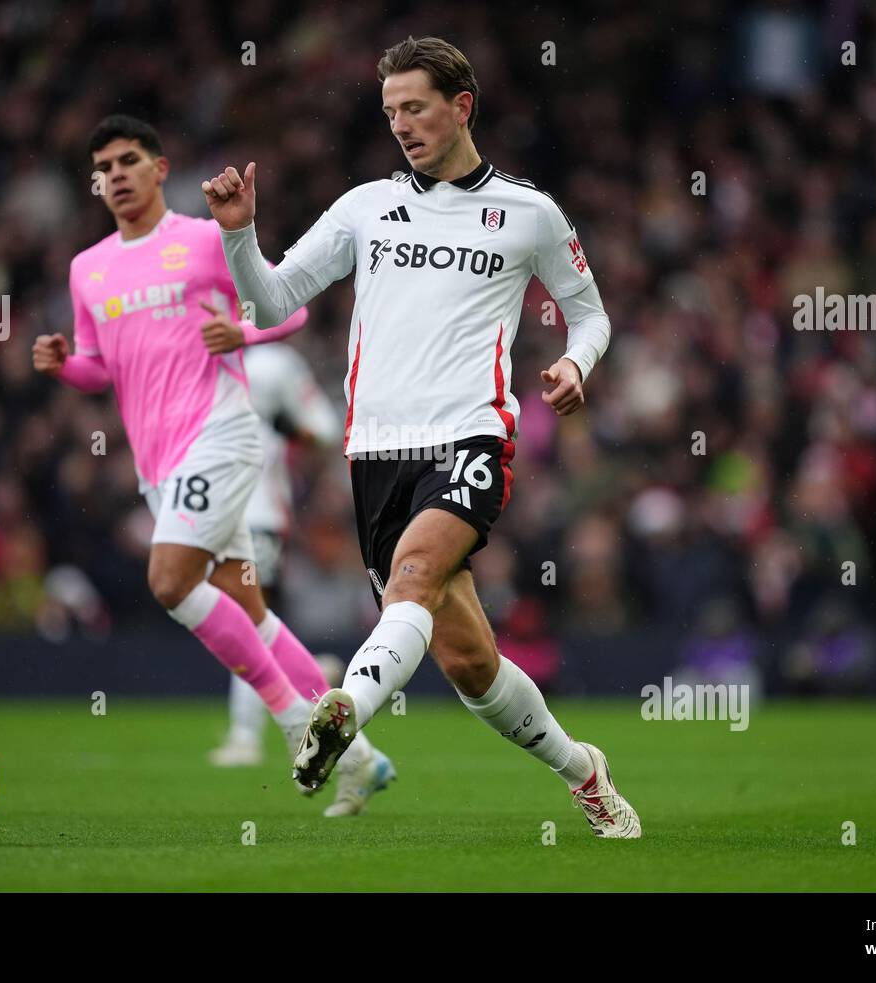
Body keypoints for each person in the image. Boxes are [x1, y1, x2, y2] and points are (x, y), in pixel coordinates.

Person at [202, 38, 640, 837]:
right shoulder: (364, 207)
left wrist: (578, 363)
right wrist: (240, 236)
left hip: (470, 439)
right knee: (469, 663)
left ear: (461, 105)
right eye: (390, 112)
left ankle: (342, 714)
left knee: (411, 580)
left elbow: (591, 312)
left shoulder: (528, 213)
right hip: (374, 455)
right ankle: (585, 770)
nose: (400, 124)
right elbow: (268, 306)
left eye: (414, 107)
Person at [35, 115, 394, 816]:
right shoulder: (89, 268)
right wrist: (63, 365)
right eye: (104, 165)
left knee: (170, 581)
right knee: (246, 608)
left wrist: (245, 329)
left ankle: (297, 726)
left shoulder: (203, 241)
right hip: (159, 463)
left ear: (160, 168)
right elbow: (97, 368)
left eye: (130, 160)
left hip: (222, 435)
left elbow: (285, 311)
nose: (117, 174)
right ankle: (359, 755)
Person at [202, 329, 344, 771]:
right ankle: (306, 671)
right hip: (205, 513)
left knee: (243, 617)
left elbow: (325, 428)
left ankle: (245, 736)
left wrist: (289, 426)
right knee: (228, 615)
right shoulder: (194, 353)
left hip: (256, 513)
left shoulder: (275, 363)